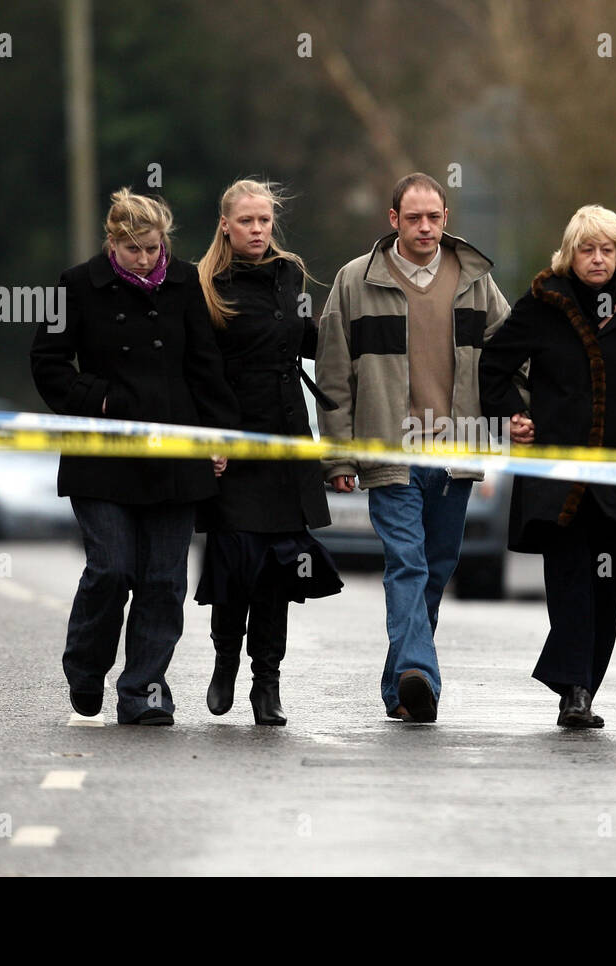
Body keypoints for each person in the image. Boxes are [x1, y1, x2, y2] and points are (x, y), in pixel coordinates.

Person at [480, 205, 616, 728]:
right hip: (560, 478)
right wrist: (513, 413)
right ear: (569, 254)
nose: (597, 259)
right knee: (572, 579)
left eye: (607, 249)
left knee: (607, 587)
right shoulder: (543, 304)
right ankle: (573, 692)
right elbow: (493, 365)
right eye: (587, 249)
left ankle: (584, 687)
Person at [31, 187, 239, 726]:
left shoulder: (185, 281)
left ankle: (144, 688)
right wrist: (98, 398)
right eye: (133, 250)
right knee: (111, 568)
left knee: (165, 581)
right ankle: (85, 666)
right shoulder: (76, 285)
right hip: (101, 456)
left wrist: (218, 437)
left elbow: (205, 367)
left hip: (176, 454)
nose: (146, 260)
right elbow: (48, 363)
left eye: (152, 249)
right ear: (112, 243)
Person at [316, 172, 519, 723]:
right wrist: (337, 457)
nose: (425, 227)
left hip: (458, 449)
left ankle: (401, 686)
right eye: (414, 218)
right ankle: (421, 676)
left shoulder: (475, 280)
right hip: (390, 448)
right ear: (393, 221)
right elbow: (335, 379)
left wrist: (522, 412)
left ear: (446, 218)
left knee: (436, 566)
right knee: (405, 562)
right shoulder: (354, 281)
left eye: (434, 217)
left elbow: (510, 354)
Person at [193, 178, 343, 726]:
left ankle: (267, 684)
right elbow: (201, 372)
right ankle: (225, 660)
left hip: (286, 442)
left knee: (278, 571)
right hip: (234, 445)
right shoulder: (207, 284)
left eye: (264, 221)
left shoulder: (290, 273)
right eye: (247, 221)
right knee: (237, 563)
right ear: (226, 226)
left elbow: (305, 338)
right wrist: (212, 437)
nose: (258, 230)